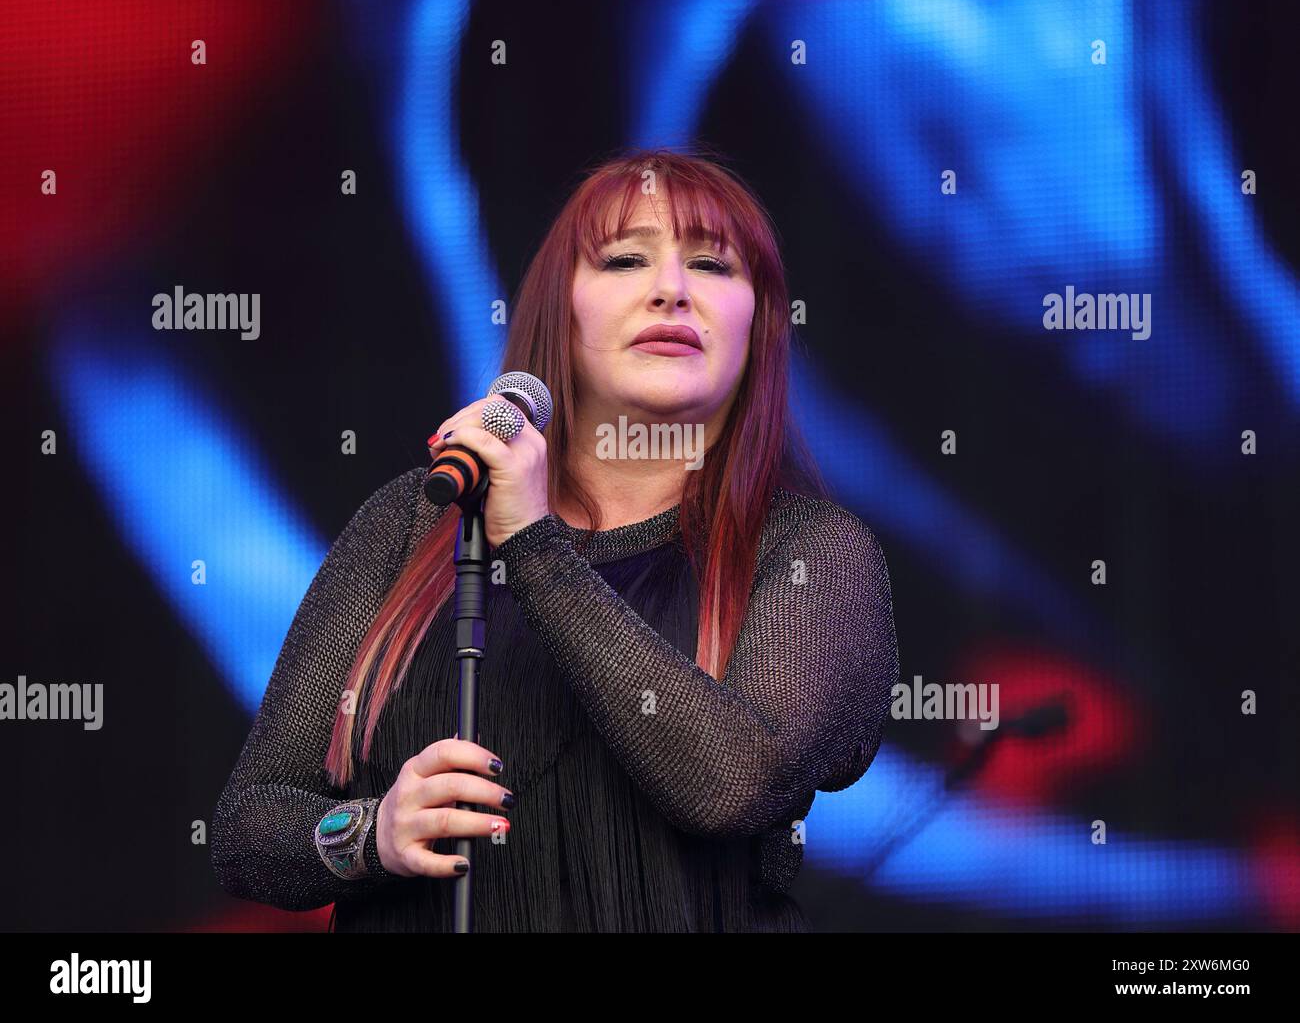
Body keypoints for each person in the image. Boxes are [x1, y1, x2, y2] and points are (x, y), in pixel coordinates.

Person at [210, 147, 900, 932]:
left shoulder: (812, 553)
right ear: (559, 313)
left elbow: (733, 784)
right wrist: (372, 834)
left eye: (711, 263)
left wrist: (533, 543)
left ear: (760, 324)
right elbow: (246, 827)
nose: (670, 289)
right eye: (625, 259)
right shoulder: (413, 522)